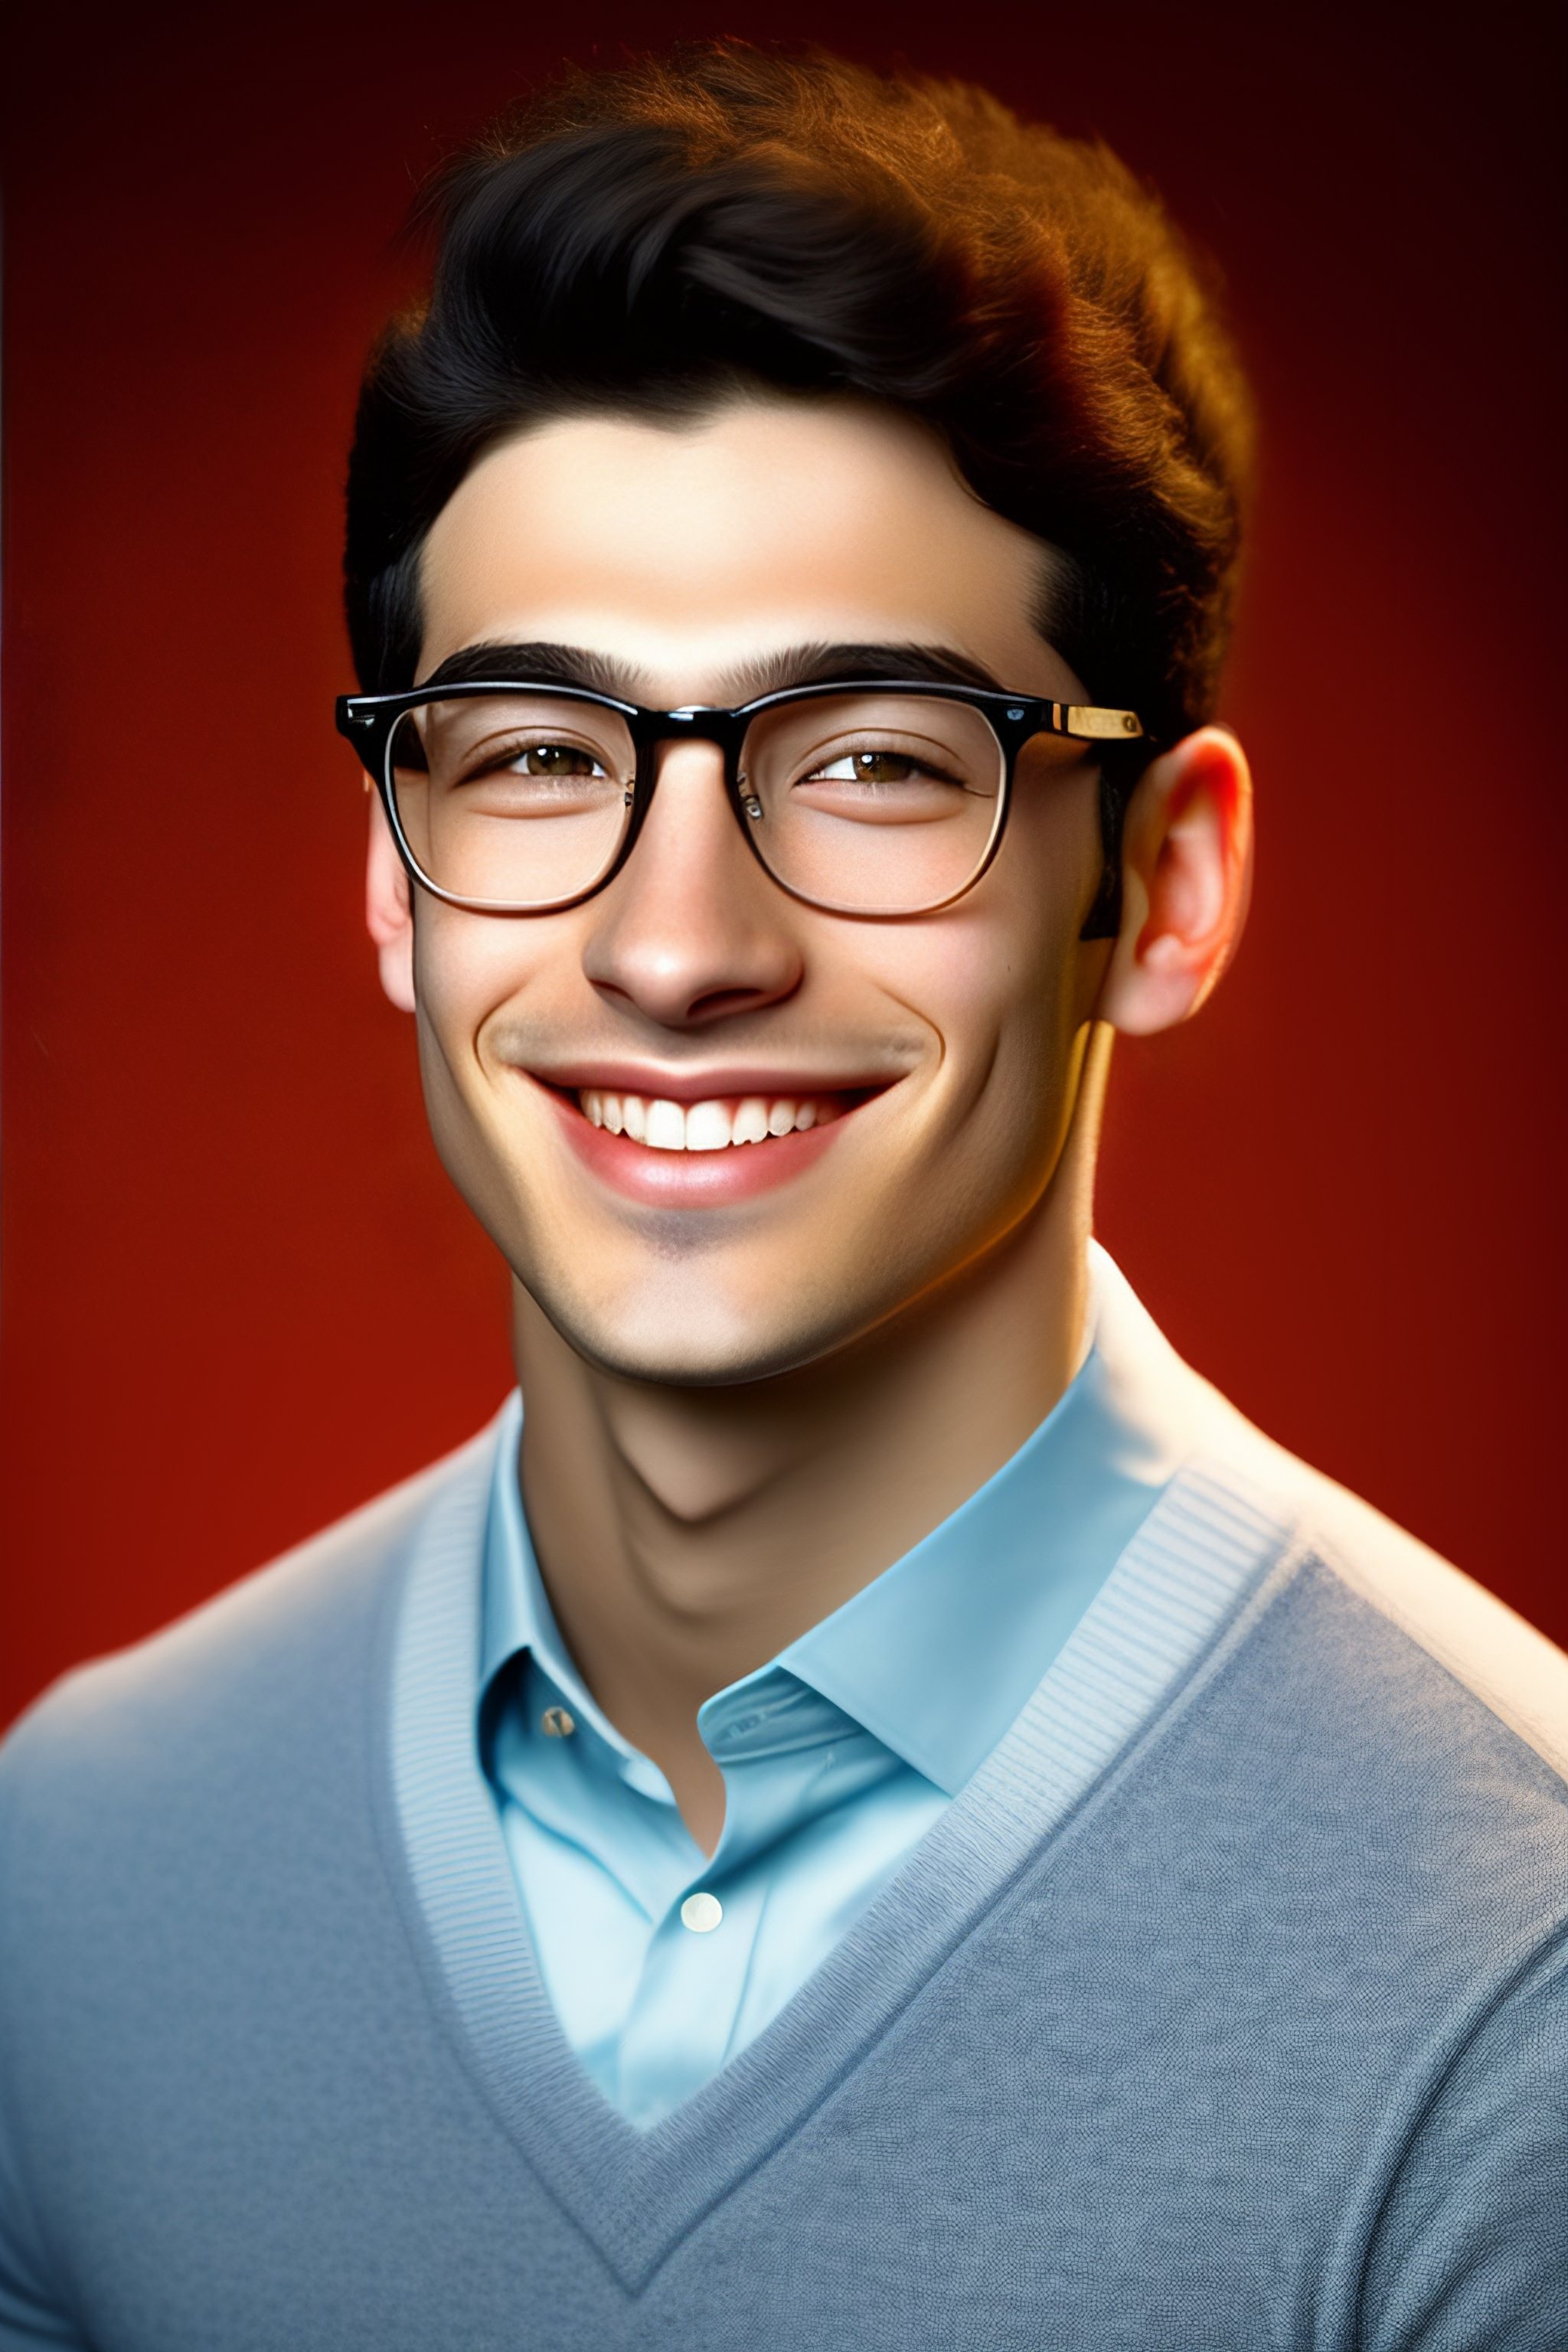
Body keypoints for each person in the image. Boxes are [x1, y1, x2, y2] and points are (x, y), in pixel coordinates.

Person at [2, 40, 1563, 2351]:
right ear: (390, 885)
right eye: (536, 753)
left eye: (872, 761)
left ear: (1166, 886)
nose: (679, 945)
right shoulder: (81, 1877)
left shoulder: (1513, 1977)